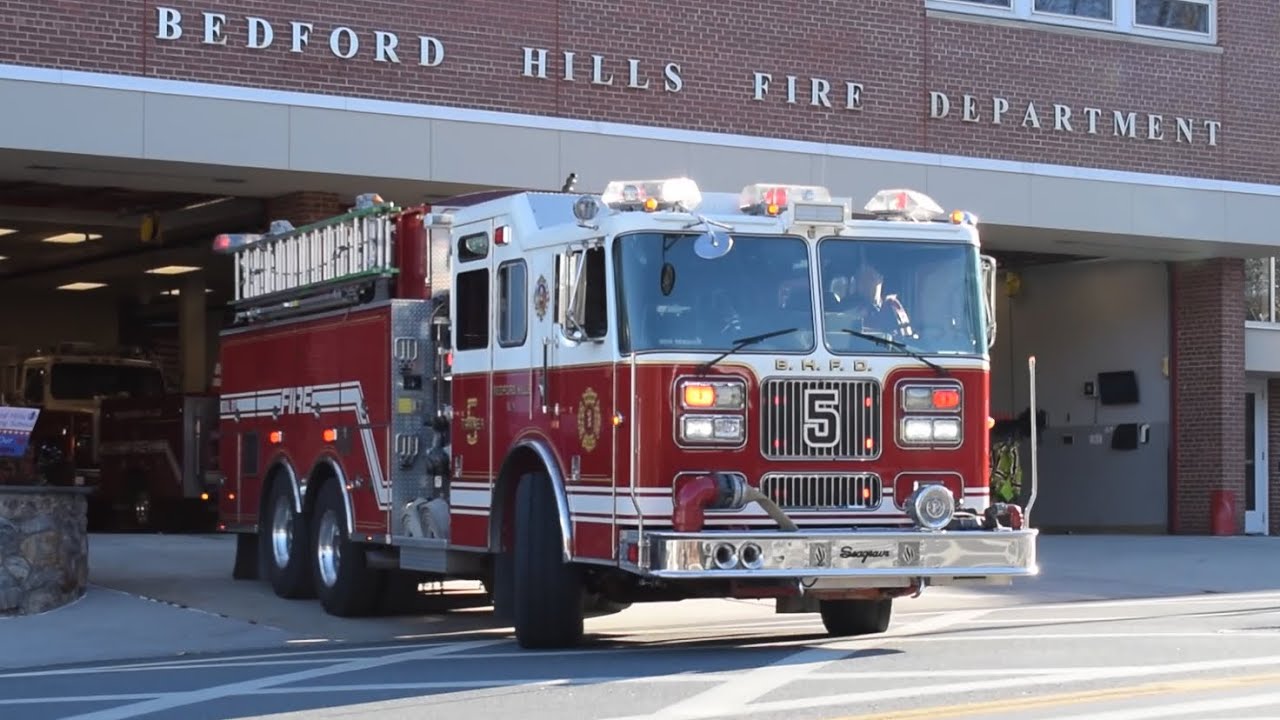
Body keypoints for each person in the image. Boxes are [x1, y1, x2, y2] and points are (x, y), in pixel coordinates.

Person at [844, 261, 913, 337]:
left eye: (870, 278)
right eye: (860, 279)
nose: (865, 284)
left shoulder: (892, 306)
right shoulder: (849, 309)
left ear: (880, 279)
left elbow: (906, 337)